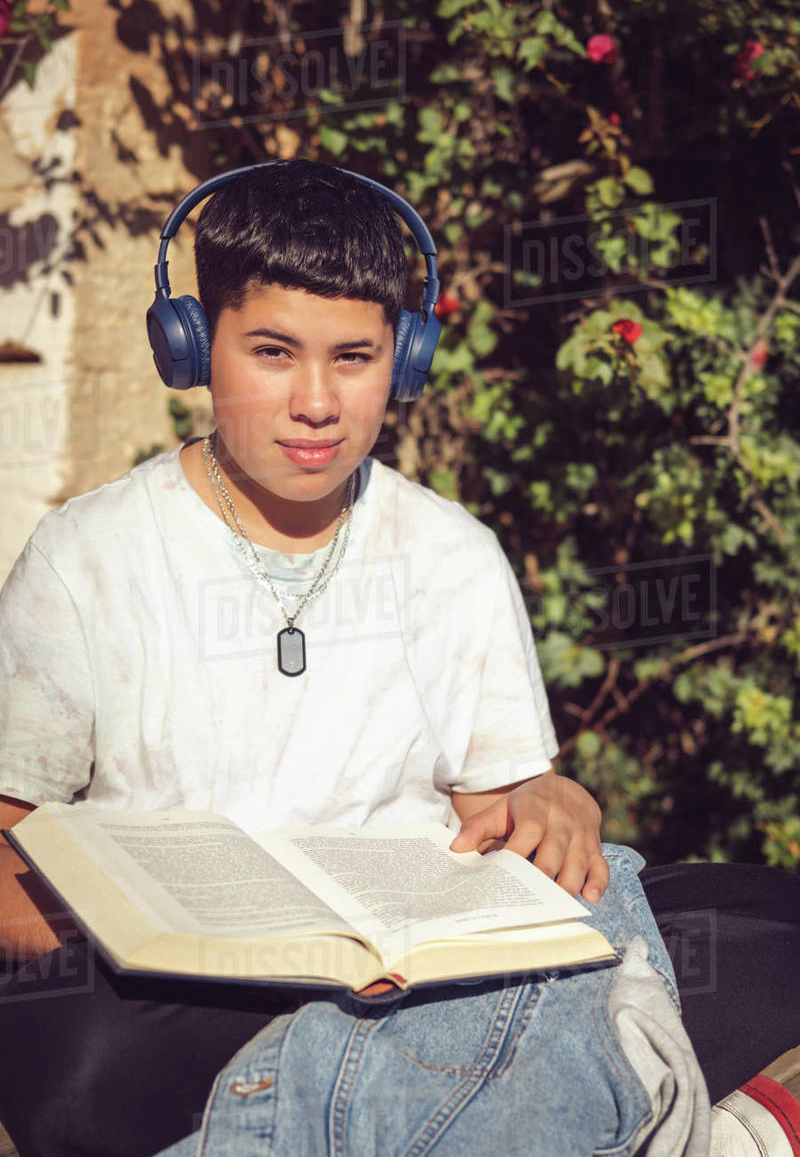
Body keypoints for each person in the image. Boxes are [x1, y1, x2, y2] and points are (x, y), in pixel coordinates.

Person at [0, 159, 785, 1156]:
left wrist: (554, 802)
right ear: (193, 345)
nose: (316, 401)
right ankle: (634, 1113)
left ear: (403, 362)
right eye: (273, 352)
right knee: (76, 1075)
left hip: (422, 975)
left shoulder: (449, 553)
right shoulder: (86, 555)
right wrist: (149, 934)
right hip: (177, 992)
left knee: (754, 927)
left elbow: (500, 811)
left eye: (355, 358)